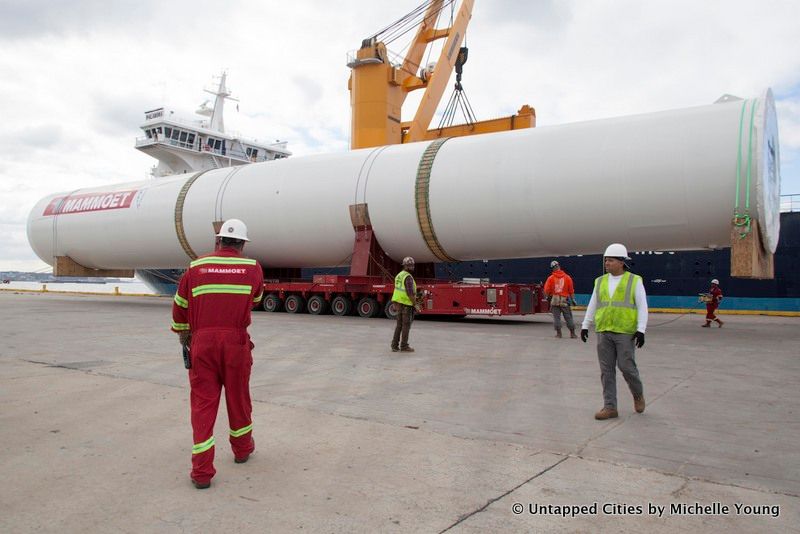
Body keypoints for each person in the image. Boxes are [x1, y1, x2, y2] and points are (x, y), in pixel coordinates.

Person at [171, 218, 264, 489]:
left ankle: (201, 472)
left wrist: (183, 334)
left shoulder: (196, 267)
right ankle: (242, 449)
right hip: (235, 343)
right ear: (242, 244)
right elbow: (255, 299)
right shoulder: (252, 267)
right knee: (239, 398)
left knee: (203, 405)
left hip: (202, 343)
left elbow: (180, 305)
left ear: (218, 240)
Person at [581, 243, 648, 420]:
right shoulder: (600, 281)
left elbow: (642, 306)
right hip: (603, 330)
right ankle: (610, 407)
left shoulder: (634, 280)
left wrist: (641, 329)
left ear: (621, 262)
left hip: (625, 331)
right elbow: (593, 303)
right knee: (606, 370)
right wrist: (585, 325)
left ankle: (638, 394)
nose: (606, 264)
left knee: (627, 368)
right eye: (606, 260)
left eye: (610, 260)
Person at [543, 260, 577, 338]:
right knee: (568, 317)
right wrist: (573, 299)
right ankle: (572, 334)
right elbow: (571, 290)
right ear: (559, 267)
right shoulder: (567, 278)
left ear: (552, 269)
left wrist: (547, 297)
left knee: (556, 318)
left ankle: (559, 334)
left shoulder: (550, 278)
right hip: (564, 300)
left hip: (555, 300)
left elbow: (546, 290)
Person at [390, 256, 418, 353]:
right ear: (406, 266)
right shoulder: (408, 277)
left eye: (412, 265)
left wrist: (394, 302)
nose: (412, 267)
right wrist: (415, 304)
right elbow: (410, 293)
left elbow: (397, 290)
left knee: (399, 326)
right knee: (406, 326)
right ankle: (404, 346)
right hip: (406, 304)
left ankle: (394, 345)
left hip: (399, 304)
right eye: (411, 265)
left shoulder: (399, 275)